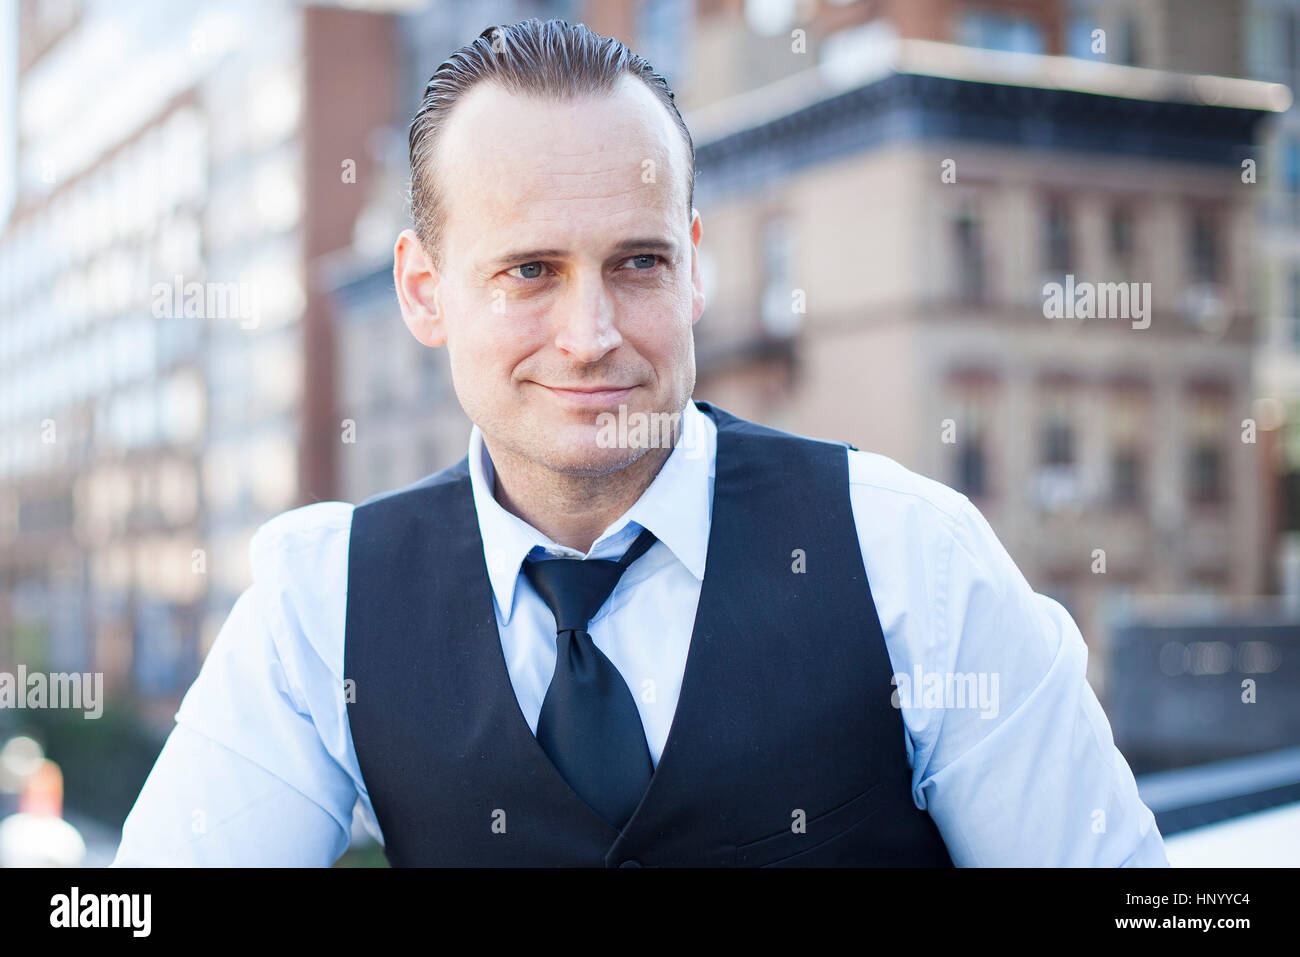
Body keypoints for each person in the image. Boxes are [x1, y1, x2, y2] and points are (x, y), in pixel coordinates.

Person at [112, 18, 1167, 867]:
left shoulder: (911, 559)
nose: (592, 336)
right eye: (529, 271)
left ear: (694, 269)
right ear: (424, 292)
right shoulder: (323, 601)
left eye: (638, 264)